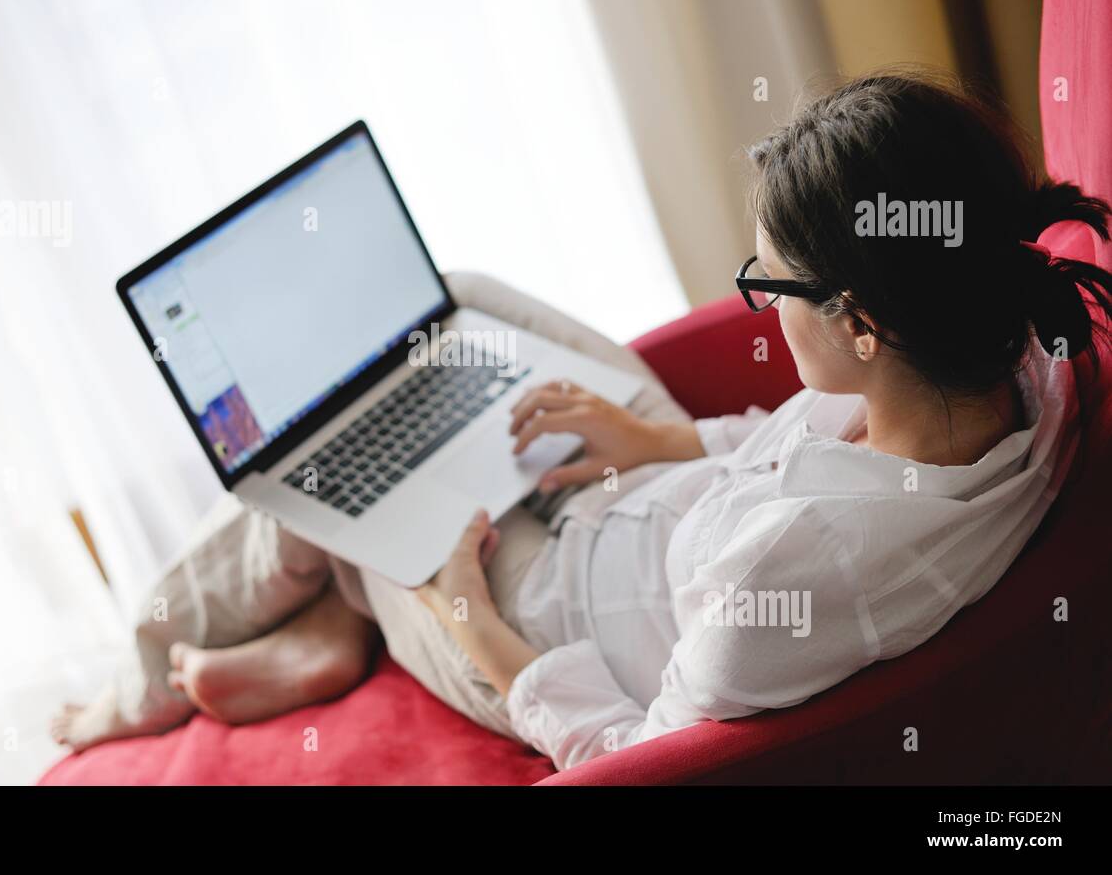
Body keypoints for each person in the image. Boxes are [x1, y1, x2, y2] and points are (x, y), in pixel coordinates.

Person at [54, 71, 1112, 771]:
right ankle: (338, 610)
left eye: (768, 282)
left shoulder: (778, 586)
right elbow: (804, 446)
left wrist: (470, 616)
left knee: (318, 452)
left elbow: (634, 753)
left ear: (865, 322)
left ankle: (167, 671)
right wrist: (653, 439)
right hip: (665, 492)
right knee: (450, 303)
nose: (757, 300)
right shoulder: (1012, 355)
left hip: (546, 616)